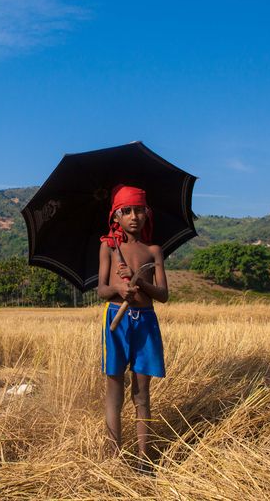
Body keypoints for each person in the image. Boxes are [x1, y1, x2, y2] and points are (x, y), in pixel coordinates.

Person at [97, 184, 169, 463]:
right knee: (114, 389)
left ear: (147, 213)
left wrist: (140, 282)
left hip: (146, 322)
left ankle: (143, 458)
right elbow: (101, 290)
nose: (134, 216)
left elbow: (163, 295)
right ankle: (114, 456)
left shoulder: (154, 251)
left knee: (141, 392)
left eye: (139, 210)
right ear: (115, 216)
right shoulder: (108, 246)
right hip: (116, 320)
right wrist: (119, 288)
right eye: (126, 211)